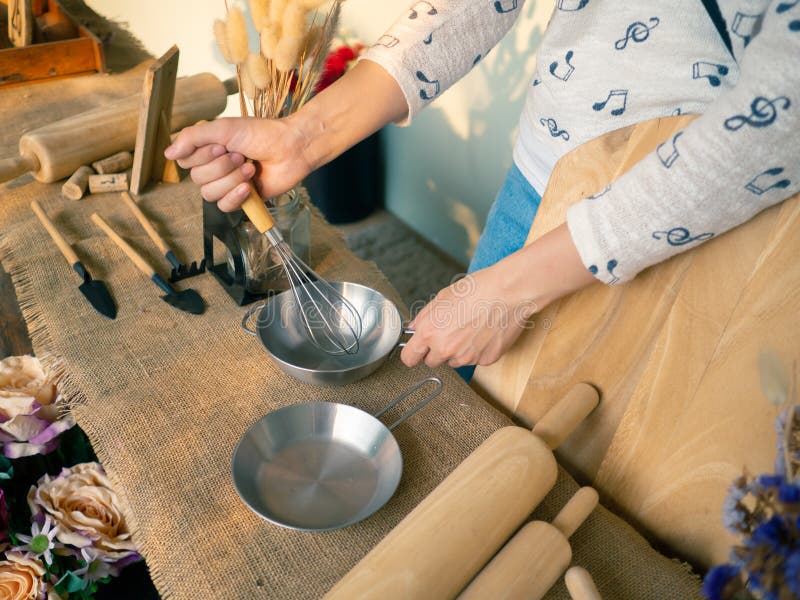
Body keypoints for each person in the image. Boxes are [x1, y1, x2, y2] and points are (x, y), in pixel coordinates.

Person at [165, 0, 799, 373]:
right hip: (540, 173)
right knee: (476, 429)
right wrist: (304, 137)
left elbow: (783, 115)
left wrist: (510, 290)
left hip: (705, 221)